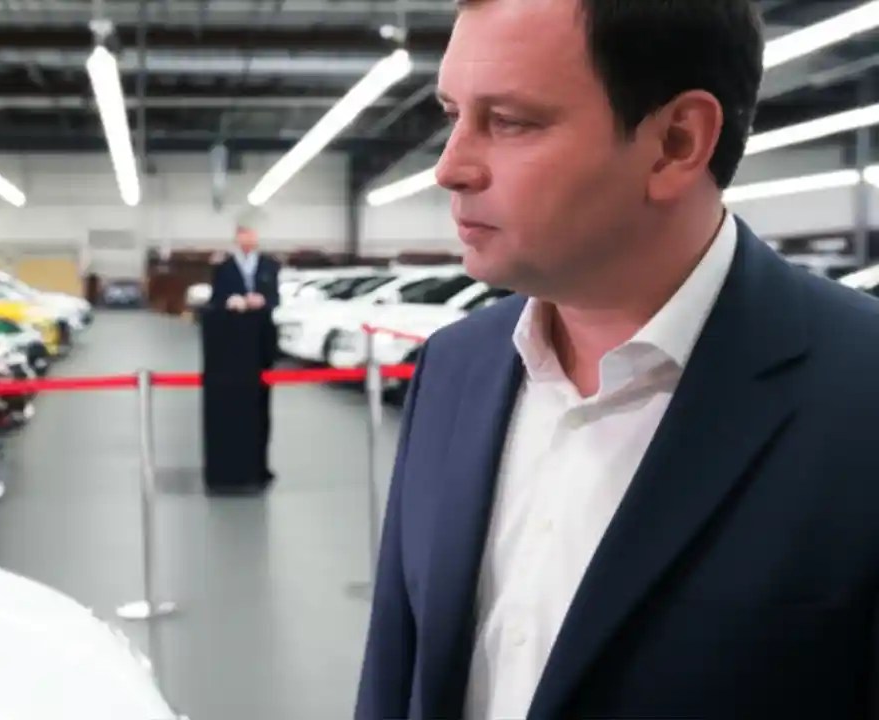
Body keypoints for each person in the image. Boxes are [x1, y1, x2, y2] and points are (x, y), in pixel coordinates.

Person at [356, 1, 879, 719]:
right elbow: (396, 674)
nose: (450, 168)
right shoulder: (453, 369)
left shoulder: (860, 393)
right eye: (453, 115)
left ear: (674, 142)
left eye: (509, 121)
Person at [207, 219, 281, 486]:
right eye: (244, 234)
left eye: (252, 233)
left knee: (262, 407)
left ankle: (261, 465)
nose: (248, 238)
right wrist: (231, 301)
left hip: (261, 343)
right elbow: (216, 299)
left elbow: (275, 298)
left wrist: (262, 300)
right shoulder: (224, 267)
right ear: (237, 238)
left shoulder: (270, 265)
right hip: (232, 345)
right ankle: (234, 464)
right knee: (234, 407)